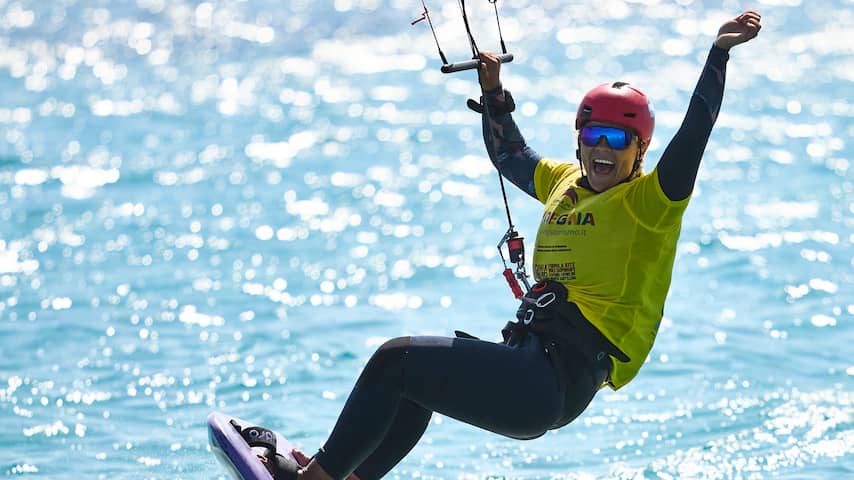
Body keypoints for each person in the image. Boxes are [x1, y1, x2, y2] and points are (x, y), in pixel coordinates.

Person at [242, 10, 762, 480]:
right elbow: (509, 153)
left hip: (554, 380)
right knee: (414, 380)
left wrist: (718, 54)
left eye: (619, 140)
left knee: (394, 359)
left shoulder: (650, 203)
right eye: (594, 137)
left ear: (640, 150)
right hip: (529, 363)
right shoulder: (563, 182)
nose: (604, 150)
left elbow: (695, 133)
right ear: (579, 140)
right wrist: (494, 92)